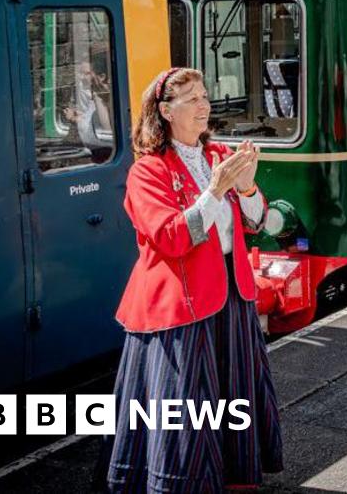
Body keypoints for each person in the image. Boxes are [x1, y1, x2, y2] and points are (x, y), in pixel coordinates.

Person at [106, 67, 283, 492]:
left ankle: (235, 476)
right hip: (179, 304)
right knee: (185, 402)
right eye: (192, 100)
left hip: (231, 293)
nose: (205, 105)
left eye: (206, 96)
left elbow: (256, 224)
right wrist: (216, 191)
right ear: (166, 111)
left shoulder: (218, 155)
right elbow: (170, 238)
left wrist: (246, 188)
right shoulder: (147, 171)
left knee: (231, 391)